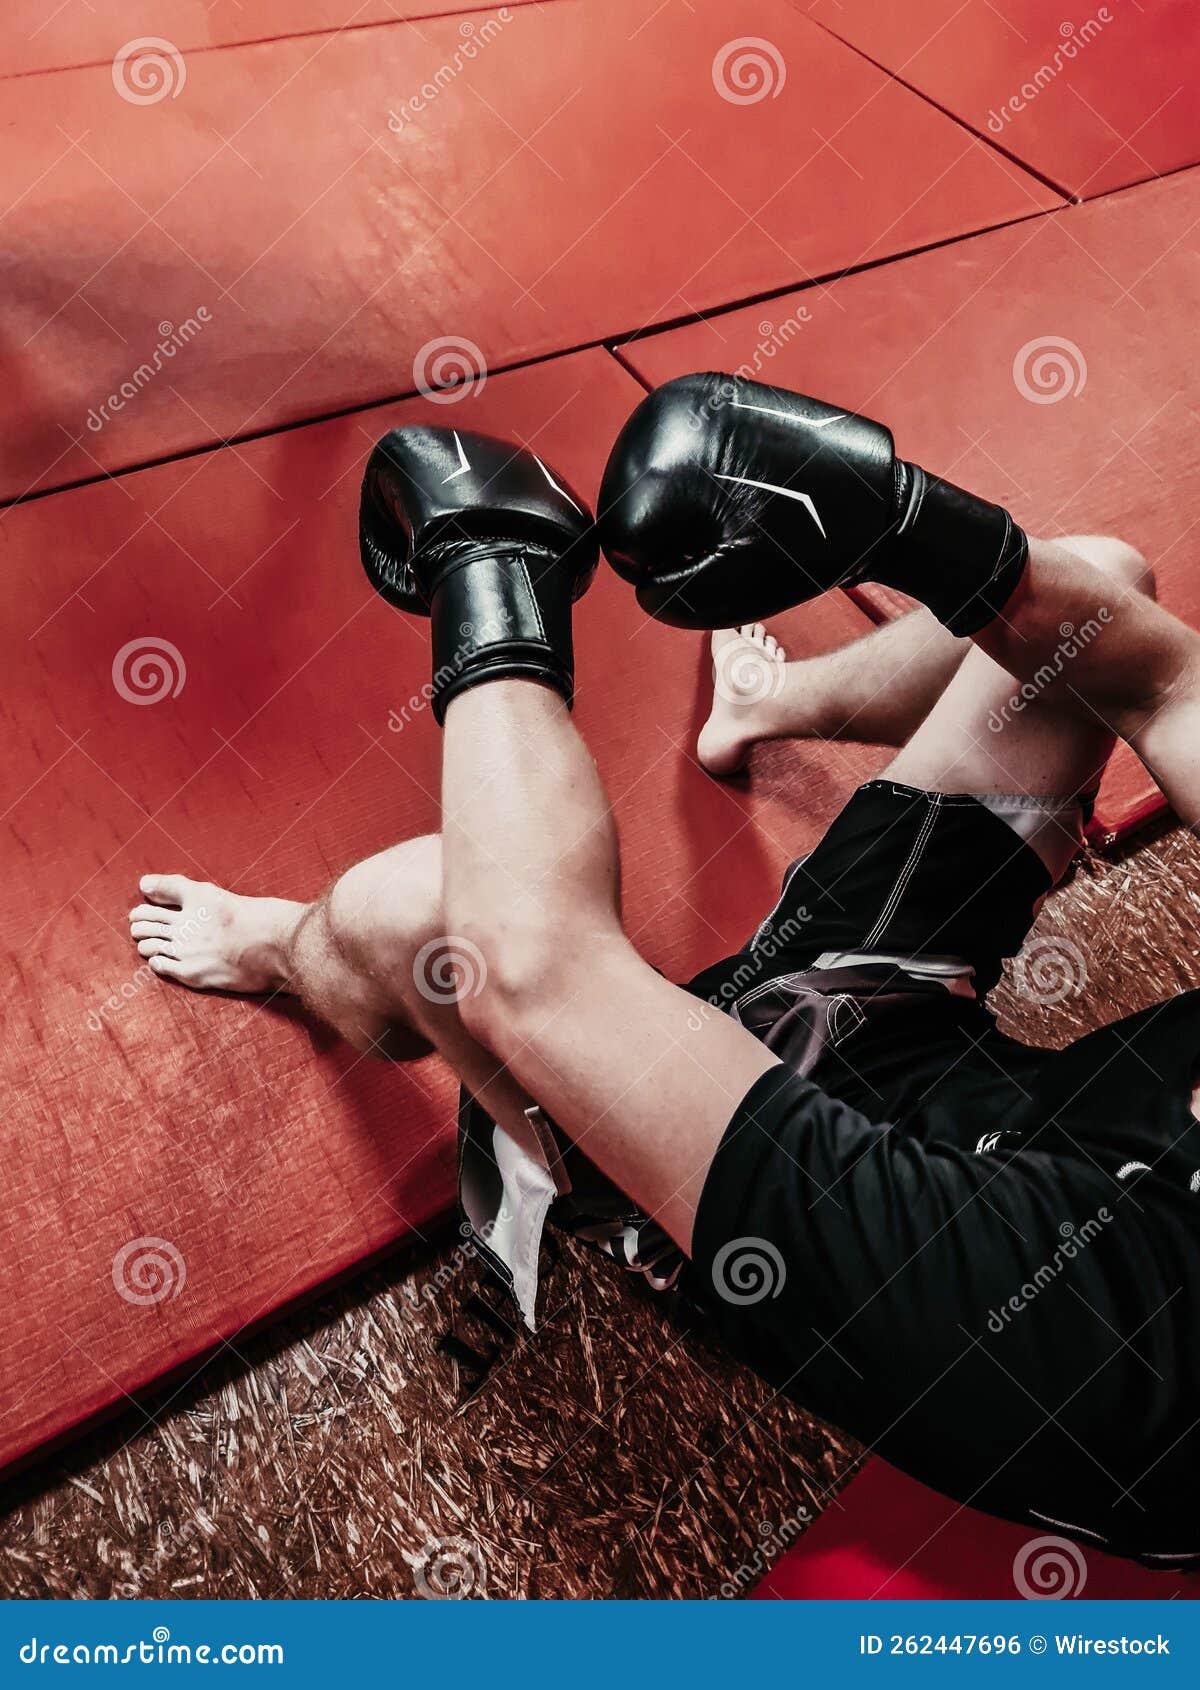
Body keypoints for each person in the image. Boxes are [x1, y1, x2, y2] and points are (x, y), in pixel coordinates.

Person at [127, 379, 1200, 1565]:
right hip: (919, 1034)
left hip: (818, 1205)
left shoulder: (1111, 1355)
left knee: (416, 914)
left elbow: (533, 974)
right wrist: (920, 528)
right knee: (1095, 589)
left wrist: (493, 584)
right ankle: (769, 704)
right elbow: (1164, 681)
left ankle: (282, 948)